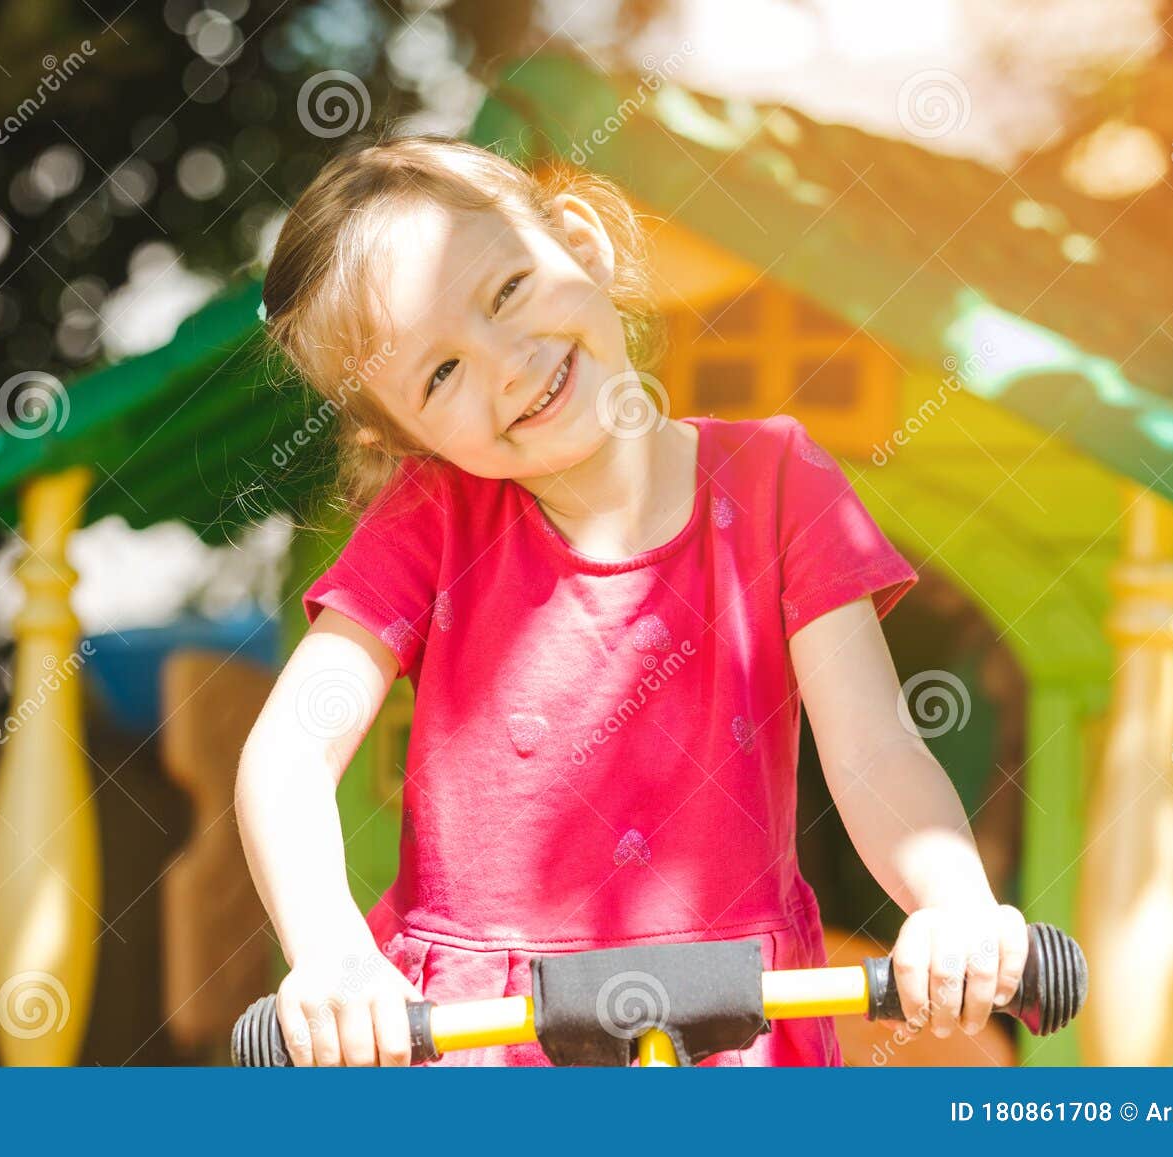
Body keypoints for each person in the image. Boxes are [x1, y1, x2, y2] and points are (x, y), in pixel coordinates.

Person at [235, 135, 1027, 1066]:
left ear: (579, 241)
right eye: (440, 374)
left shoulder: (778, 484)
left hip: (736, 1021)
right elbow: (287, 758)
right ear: (396, 435)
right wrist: (333, 955)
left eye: (507, 291)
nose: (508, 362)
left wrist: (952, 904)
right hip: (486, 1040)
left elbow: (874, 751)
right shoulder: (432, 523)